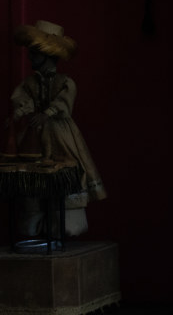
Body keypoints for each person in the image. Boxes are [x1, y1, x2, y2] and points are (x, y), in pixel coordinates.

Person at [6, 20, 106, 238]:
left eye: (35, 52)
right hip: (35, 136)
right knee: (31, 176)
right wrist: (20, 113)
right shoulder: (30, 83)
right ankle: (33, 227)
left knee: (64, 173)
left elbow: (64, 103)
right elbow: (22, 98)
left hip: (60, 135)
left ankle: (61, 226)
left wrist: (48, 113)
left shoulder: (64, 82)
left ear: (47, 53)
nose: (30, 57)